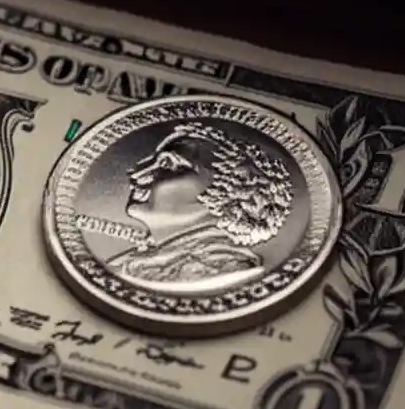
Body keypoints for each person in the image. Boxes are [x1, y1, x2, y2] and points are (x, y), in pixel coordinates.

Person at [106, 121, 294, 295]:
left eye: (167, 164)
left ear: (225, 193)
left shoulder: (217, 272)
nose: (138, 175)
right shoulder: (138, 264)